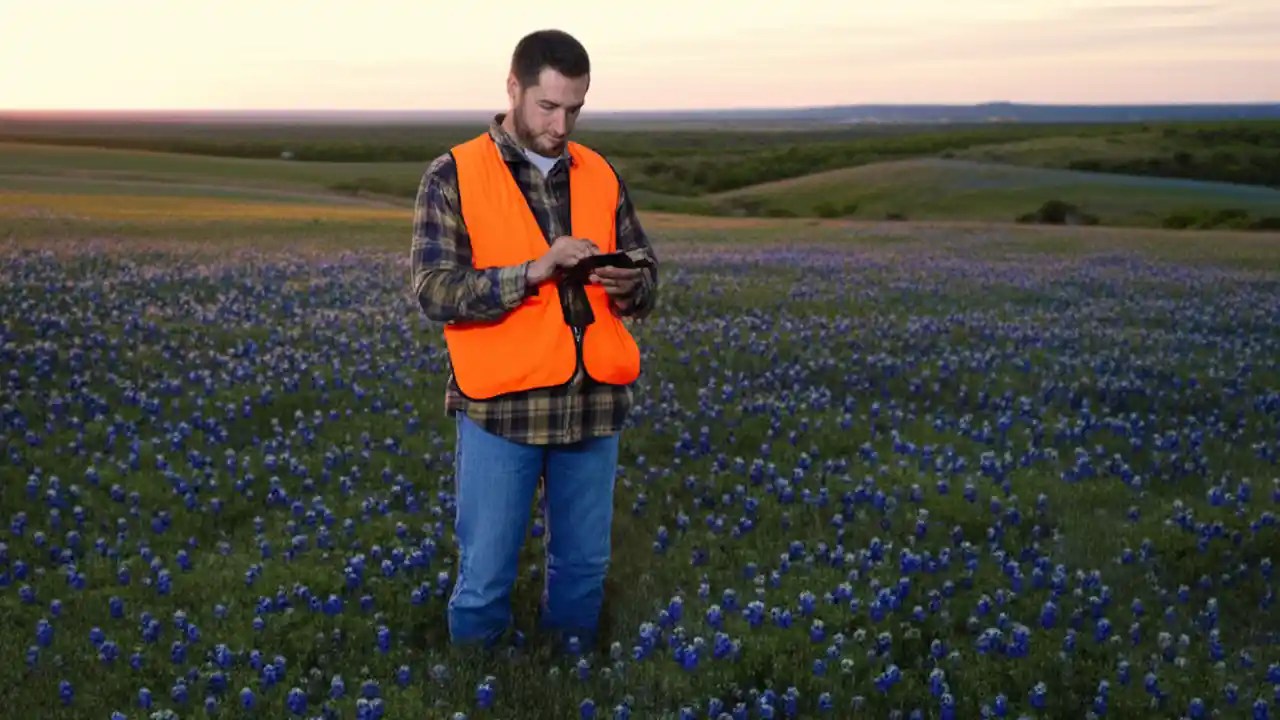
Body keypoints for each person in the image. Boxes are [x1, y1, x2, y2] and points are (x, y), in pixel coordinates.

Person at [410, 28, 659, 654]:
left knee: (583, 571)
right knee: (486, 575)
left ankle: (564, 676)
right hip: (504, 409)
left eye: (575, 108)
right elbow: (435, 291)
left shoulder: (599, 171)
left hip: (593, 403)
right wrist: (534, 271)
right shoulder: (454, 174)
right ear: (514, 89)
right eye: (548, 106)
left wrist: (634, 283)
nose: (561, 123)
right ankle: (482, 685)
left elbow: (647, 274)